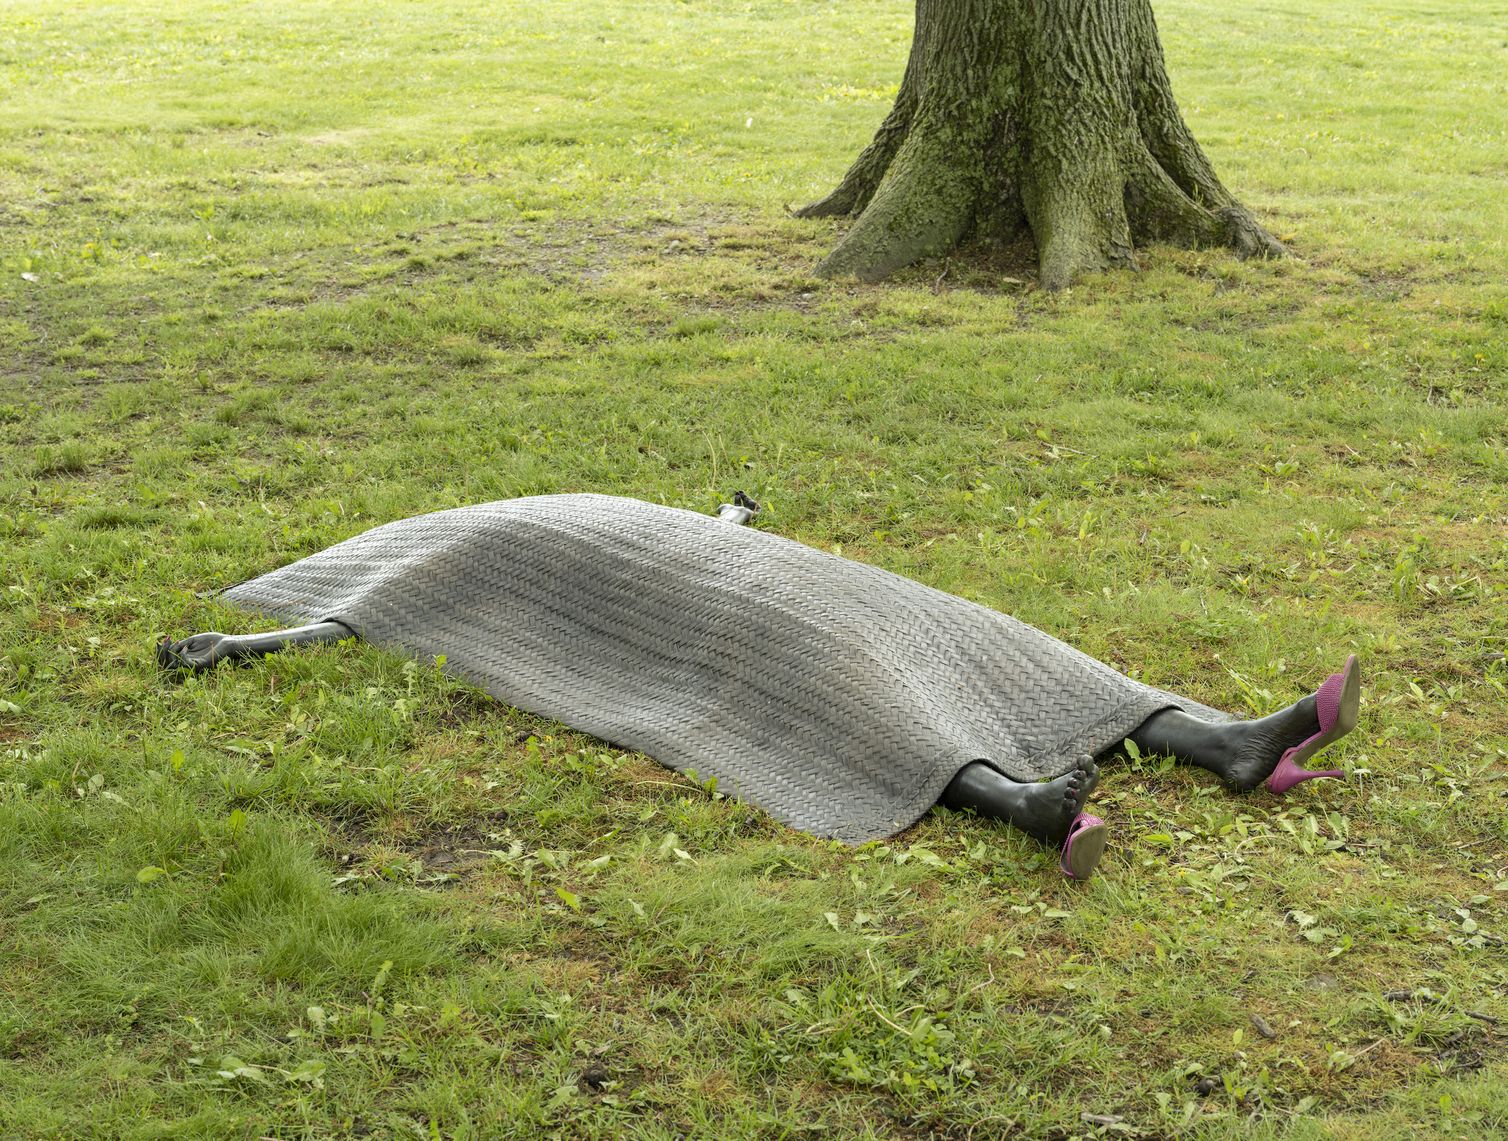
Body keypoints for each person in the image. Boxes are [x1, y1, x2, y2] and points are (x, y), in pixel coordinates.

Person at [159, 494, 1360, 880]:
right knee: (832, 689)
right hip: (715, 615)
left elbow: (689, 524)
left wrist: (730, 520)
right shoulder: (470, 547)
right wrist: (252, 647)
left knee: (983, 637)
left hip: (769, 571)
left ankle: (1220, 739)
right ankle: (1019, 803)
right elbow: (374, 605)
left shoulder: (570, 507)